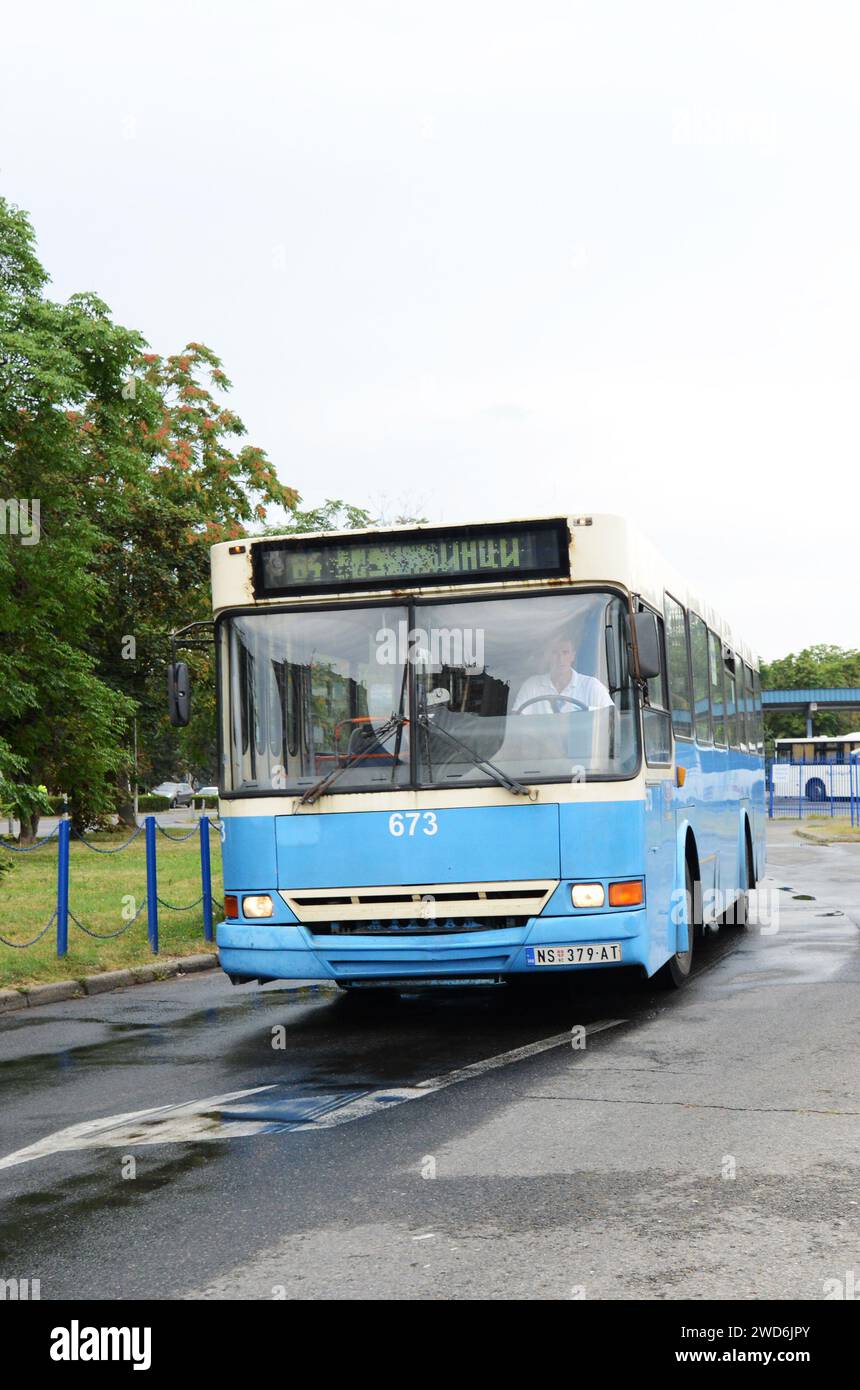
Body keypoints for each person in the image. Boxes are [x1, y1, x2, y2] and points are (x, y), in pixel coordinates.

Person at [513, 637, 613, 714]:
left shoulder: (591, 686)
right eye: (554, 653)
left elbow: (611, 717)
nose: (560, 659)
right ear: (547, 656)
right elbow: (517, 720)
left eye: (565, 653)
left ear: (573, 656)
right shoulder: (532, 686)